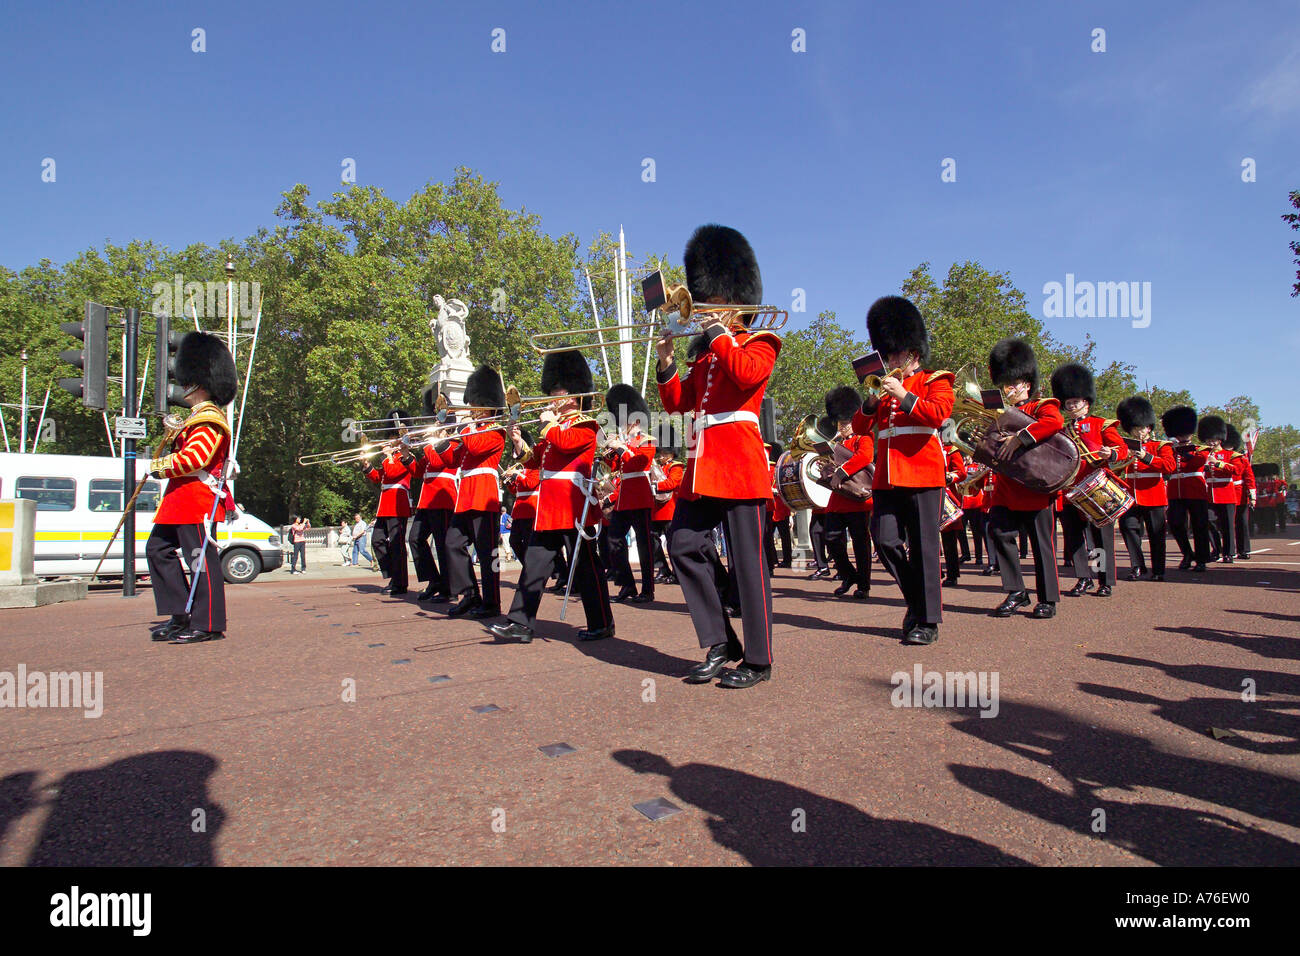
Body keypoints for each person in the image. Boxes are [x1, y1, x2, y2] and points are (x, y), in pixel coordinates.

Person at [657, 224, 781, 688]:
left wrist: (717, 334)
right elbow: (677, 403)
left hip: (740, 463)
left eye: (713, 301)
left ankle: (759, 658)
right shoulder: (708, 355)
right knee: (683, 543)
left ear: (734, 301)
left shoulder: (759, 342)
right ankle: (718, 641)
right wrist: (668, 360)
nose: (705, 308)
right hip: (703, 465)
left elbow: (748, 376)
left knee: (748, 565)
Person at [488, 349, 613, 644]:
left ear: (575, 395)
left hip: (572, 505)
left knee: (586, 567)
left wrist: (549, 424)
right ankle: (520, 623)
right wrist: (519, 444)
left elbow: (567, 443)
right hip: (549, 509)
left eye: (559, 394)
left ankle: (602, 622)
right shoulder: (554, 428)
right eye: (552, 393)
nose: (554, 399)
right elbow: (535, 462)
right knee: (533, 566)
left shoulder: (586, 425)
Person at [851, 296, 954, 644]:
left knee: (924, 548)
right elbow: (860, 427)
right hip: (887, 479)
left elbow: (937, 414)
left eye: (899, 354)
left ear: (915, 353)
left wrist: (906, 396)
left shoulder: (935, 380)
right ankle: (916, 601)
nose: (893, 361)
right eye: (889, 354)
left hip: (923, 473)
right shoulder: (881, 390)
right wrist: (868, 405)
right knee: (884, 540)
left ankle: (928, 621)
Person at [144, 331, 238, 644]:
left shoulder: (209, 418)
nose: (183, 387)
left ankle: (208, 623)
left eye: (187, 380)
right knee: (157, 550)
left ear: (198, 381)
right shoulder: (195, 418)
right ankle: (181, 614)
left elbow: (197, 458)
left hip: (198, 498)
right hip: (180, 500)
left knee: (200, 559)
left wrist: (160, 466)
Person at [984, 338, 1064, 620]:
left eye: (1015, 384)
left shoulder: (1043, 405)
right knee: (999, 533)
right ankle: (1016, 590)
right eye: (1007, 385)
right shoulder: (998, 412)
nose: (1010, 389)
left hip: (1034, 487)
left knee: (1042, 543)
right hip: (1007, 487)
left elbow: (1054, 423)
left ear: (1027, 384)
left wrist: (1020, 437)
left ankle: (1048, 598)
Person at [438, 366, 507, 618]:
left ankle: (492, 603)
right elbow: (450, 460)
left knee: (488, 553)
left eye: (478, 403)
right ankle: (468, 593)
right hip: (464, 497)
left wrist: (463, 428)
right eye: (472, 403)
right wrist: (440, 439)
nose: (472, 408)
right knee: (452, 543)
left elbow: (477, 448)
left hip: (483, 496)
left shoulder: (496, 431)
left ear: (490, 405)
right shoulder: (470, 431)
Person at [1052, 364, 1127, 597]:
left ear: (1086, 402)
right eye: (1069, 403)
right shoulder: (1062, 430)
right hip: (1071, 489)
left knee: (1099, 538)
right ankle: (1083, 578)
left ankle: (1104, 580)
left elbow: (1121, 450)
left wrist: (1110, 453)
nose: (1072, 406)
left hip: (1096, 487)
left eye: (1077, 402)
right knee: (1074, 538)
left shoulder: (1101, 424)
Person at [603, 384, 659, 603]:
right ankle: (627, 585)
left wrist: (621, 448)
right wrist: (610, 451)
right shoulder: (624, 442)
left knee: (644, 546)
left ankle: (648, 589)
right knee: (614, 541)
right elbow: (616, 467)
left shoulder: (647, 440)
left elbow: (637, 463)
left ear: (636, 421)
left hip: (640, 495)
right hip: (623, 497)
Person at [1115, 395, 1175, 580]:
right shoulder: (1126, 447)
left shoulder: (1160, 446)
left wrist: (1146, 457)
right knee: (1128, 527)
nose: (1138, 432)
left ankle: (1158, 570)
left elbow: (1169, 466)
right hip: (1131, 496)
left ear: (1149, 428)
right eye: (1135, 428)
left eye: (1141, 428)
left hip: (1153, 495)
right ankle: (1137, 566)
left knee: (1156, 534)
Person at [822, 390, 874, 599]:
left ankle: (864, 584)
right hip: (838, 499)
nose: (842, 427)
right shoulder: (836, 444)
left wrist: (842, 471)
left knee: (861, 544)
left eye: (846, 423)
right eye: (840, 423)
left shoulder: (864, 437)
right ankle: (849, 575)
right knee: (831, 538)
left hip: (858, 499)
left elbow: (865, 457)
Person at [408, 400, 459, 603]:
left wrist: (430, 443)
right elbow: (419, 471)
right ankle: (434, 580)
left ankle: (450, 588)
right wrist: (405, 455)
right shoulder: (433, 446)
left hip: (443, 499)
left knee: (442, 545)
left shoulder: (454, 445)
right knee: (415, 539)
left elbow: (439, 462)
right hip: (426, 501)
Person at [361, 410, 416, 595]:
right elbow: (379, 477)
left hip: (398, 504)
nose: (389, 442)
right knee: (377, 540)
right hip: (385, 506)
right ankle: (393, 574)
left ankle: (400, 583)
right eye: (389, 438)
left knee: (397, 544)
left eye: (393, 438)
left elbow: (393, 474)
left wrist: (390, 456)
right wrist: (367, 465)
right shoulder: (389, 460)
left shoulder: (405, 458)